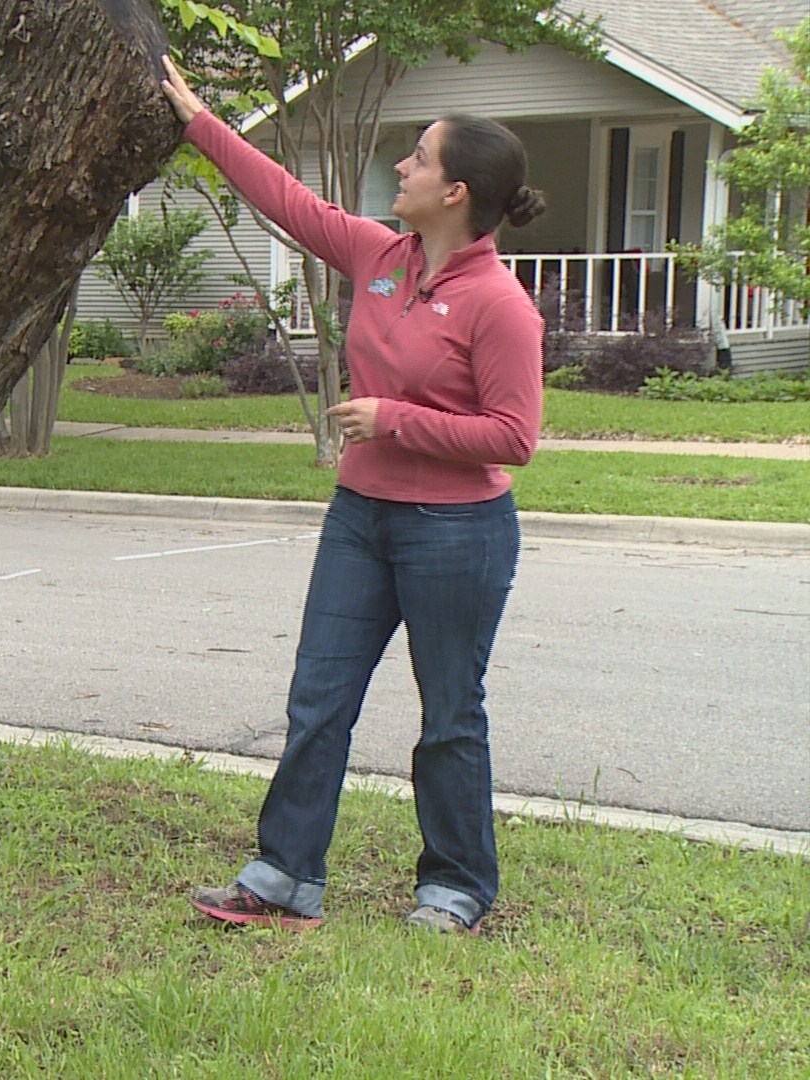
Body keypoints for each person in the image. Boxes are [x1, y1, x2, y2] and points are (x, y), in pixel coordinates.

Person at [157, 55, 546, 935]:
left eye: (419, 158)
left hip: (458, 533)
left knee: (449, 715)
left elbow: (513, 438)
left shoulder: (499, 306)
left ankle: (455, 887)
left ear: (456, 194)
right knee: (318, 697)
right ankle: (286, 876)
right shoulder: (379, 254)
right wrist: (199, 123)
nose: (402, 167)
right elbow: (288, 201)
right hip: (360, 519)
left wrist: (396, 418)